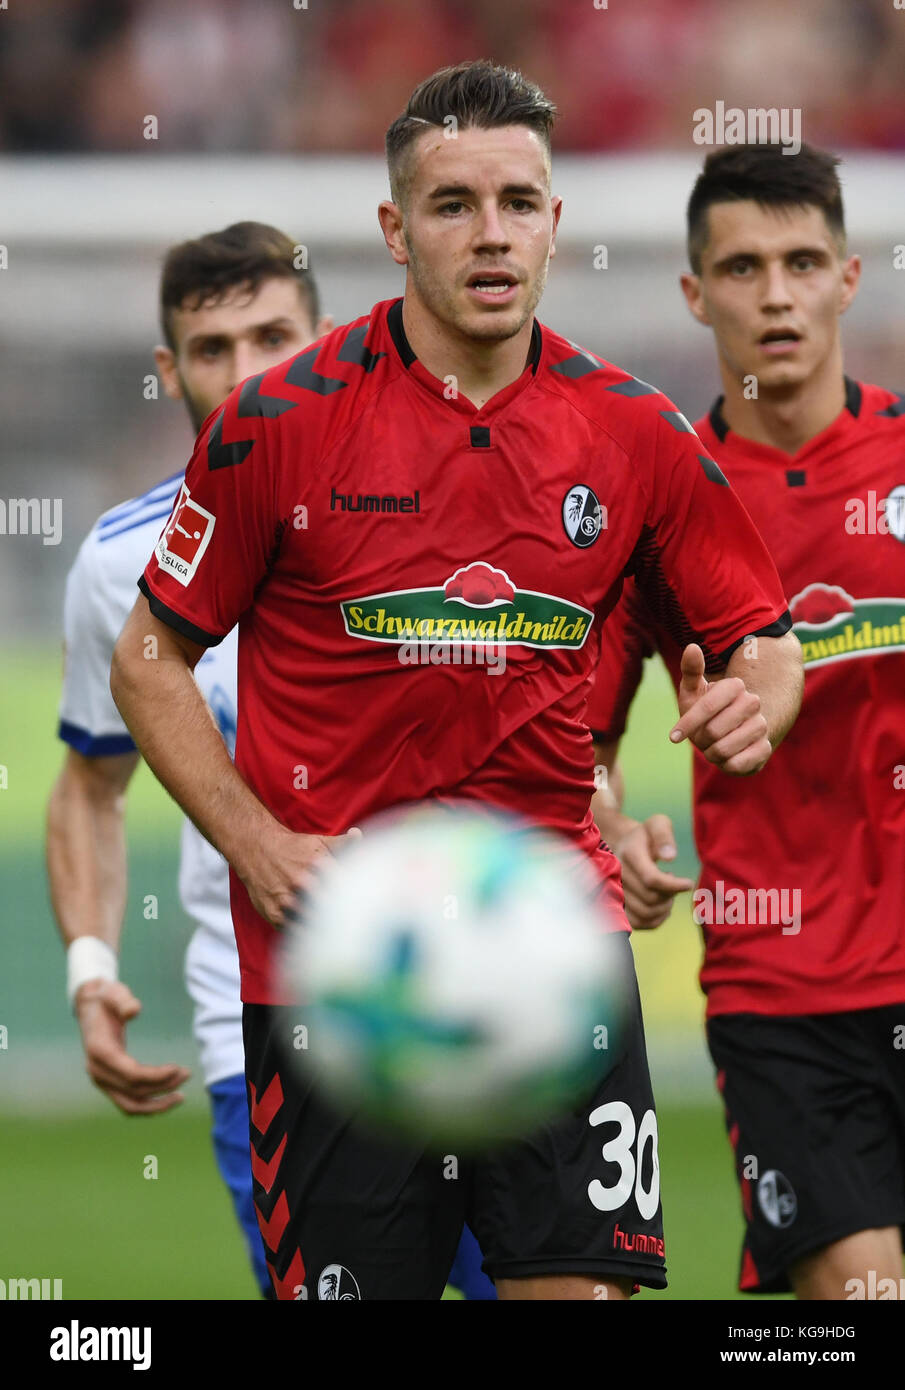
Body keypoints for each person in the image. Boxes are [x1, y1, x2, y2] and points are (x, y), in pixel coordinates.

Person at [110, 61, 802, 1302]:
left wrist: (762, 696)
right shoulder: (278, 423)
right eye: (452, 204)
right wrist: (258, 842)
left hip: (555, 945)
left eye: (518, 201)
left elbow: (765, 634)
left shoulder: (634, 432)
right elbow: (147, 657)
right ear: (393, 228)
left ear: (553, 222)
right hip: (341, 974)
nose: (490, 232)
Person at [587, 143, 905, 1299]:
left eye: (800, 261)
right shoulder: (659, 509)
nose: (774, 293)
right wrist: (609, 824)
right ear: (693, 292)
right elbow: (582, 740)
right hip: (785, 990)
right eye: (740, 267)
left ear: (846, 277)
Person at [47, 221, 332, 1298]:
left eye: (273, 338)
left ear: (330, 343)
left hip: (460, 999)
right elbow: (89, 785)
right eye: (213, 349)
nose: (248, 373)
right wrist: (90, 970)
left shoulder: (428, 527)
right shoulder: (123, 563)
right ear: (168, 371)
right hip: (258, 1033)